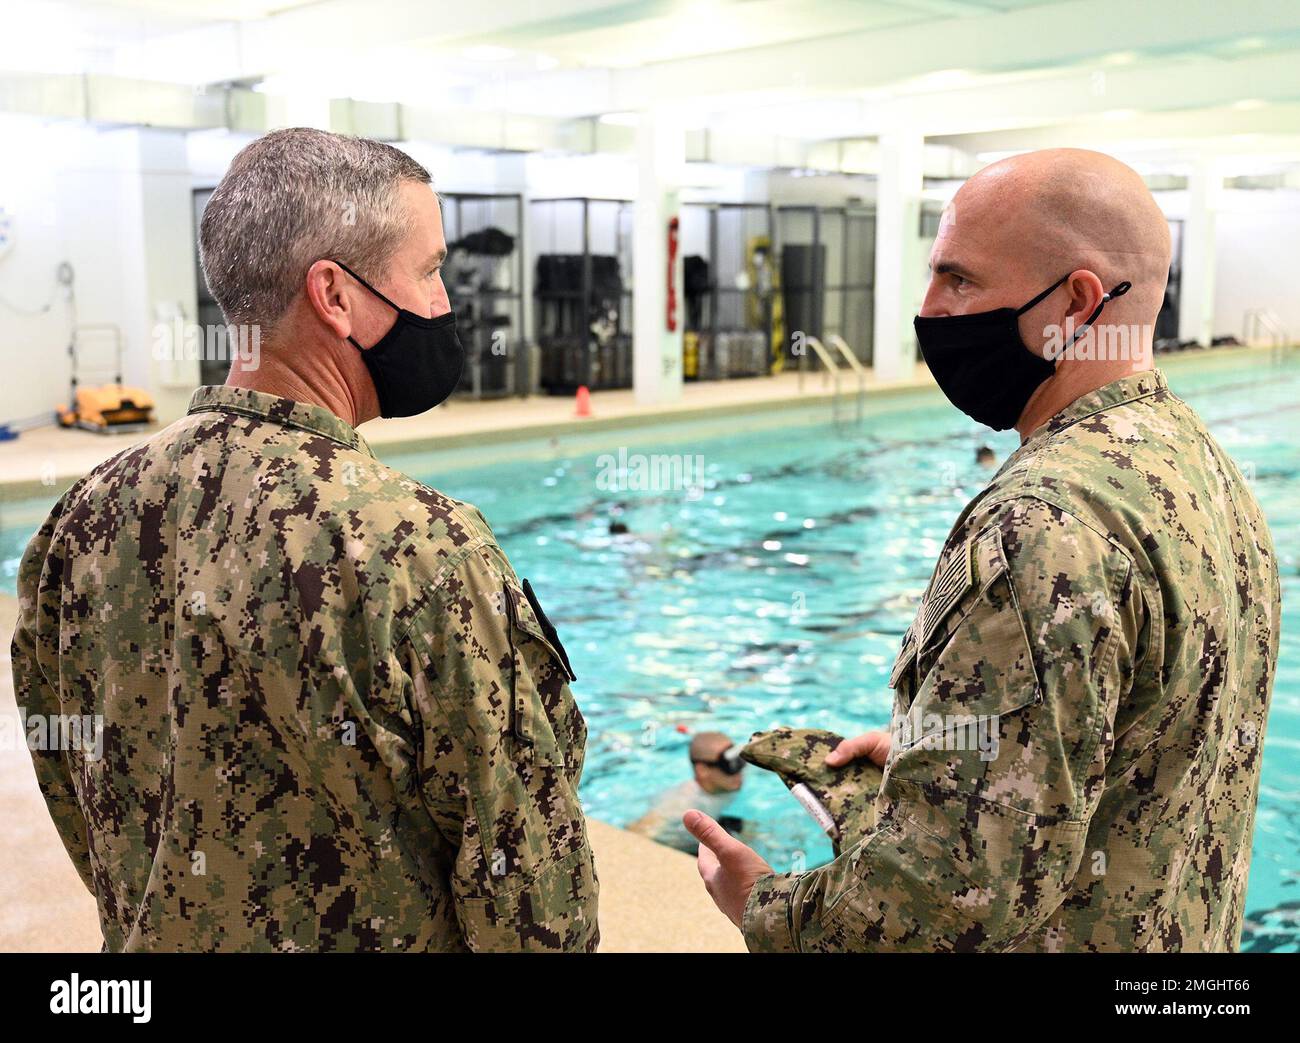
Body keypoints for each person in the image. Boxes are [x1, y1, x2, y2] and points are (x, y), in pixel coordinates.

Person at [12, 128, 598, 952]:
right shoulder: (419, 549)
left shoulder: (79, 521)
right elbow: (534, 900)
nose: (443, 303)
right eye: (429, 271)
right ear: (335, 294)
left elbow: (77, 793)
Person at [687, 148, 1281, 953]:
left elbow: (936, 909)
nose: (929, 310)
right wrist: (947, 747)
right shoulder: (1204, 469)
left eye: (959, 280)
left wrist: (760, 900)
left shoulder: (1041, 522)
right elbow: (1149, 750)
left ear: (1077, 301)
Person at [629, 732, 744, 853]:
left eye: (740, 760)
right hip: (681, 845)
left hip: (715, 822)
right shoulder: (682, 801)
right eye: (730, 765)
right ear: (703, 770)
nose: (740, 771)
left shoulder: (727, 783)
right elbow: (634, 835)